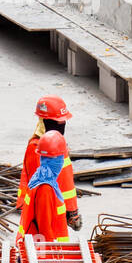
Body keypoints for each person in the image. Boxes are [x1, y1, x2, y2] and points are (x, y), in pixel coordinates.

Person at [17, 95, 80, 230]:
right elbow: (41, 193)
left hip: (59, 210)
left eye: (63, 121)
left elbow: (65, 180)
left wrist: (71, 210)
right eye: (58, 121)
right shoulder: (36, 150)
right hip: (45, 214)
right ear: (44, 121)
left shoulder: (57, 144)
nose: (62, 124)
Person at [16, 131, 72, 244]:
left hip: (37, 248)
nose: (62, 161)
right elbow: (45, 231)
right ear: (54, 159)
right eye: (61, 157)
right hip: (41, 253)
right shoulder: (45, 189)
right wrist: (54, 255)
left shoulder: (40, 177)